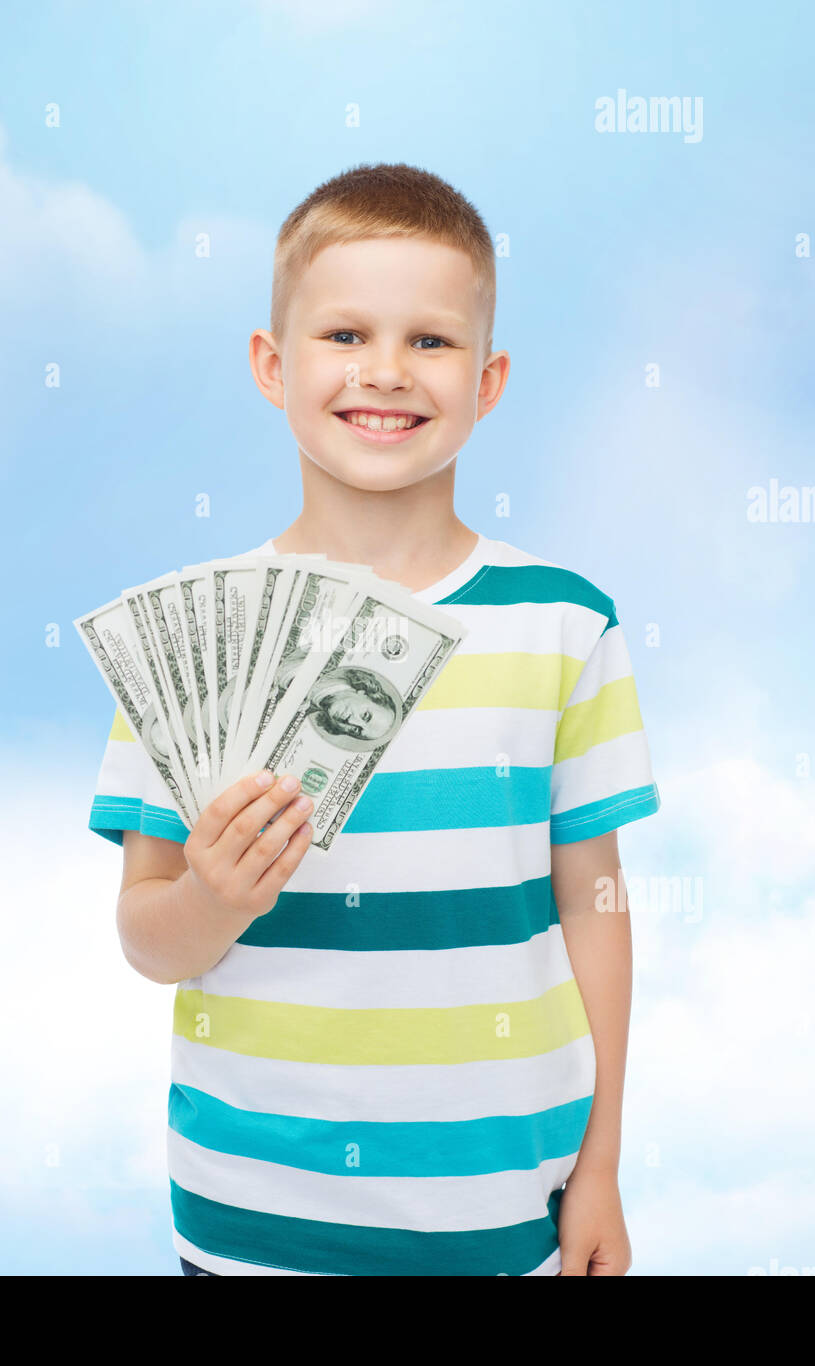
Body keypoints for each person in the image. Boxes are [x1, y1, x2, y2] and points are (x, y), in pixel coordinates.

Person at [86, 161, 661, 1276]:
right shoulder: (192, 642)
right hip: (248, 1215)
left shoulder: (562, 624)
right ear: (271, 365)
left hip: (498, 1214)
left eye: (430, 342)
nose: (385, 372)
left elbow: (594, 905)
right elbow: (146, 939)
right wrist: (208, 898)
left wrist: (599, 1169)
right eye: (344, 334)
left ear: (488, 380)